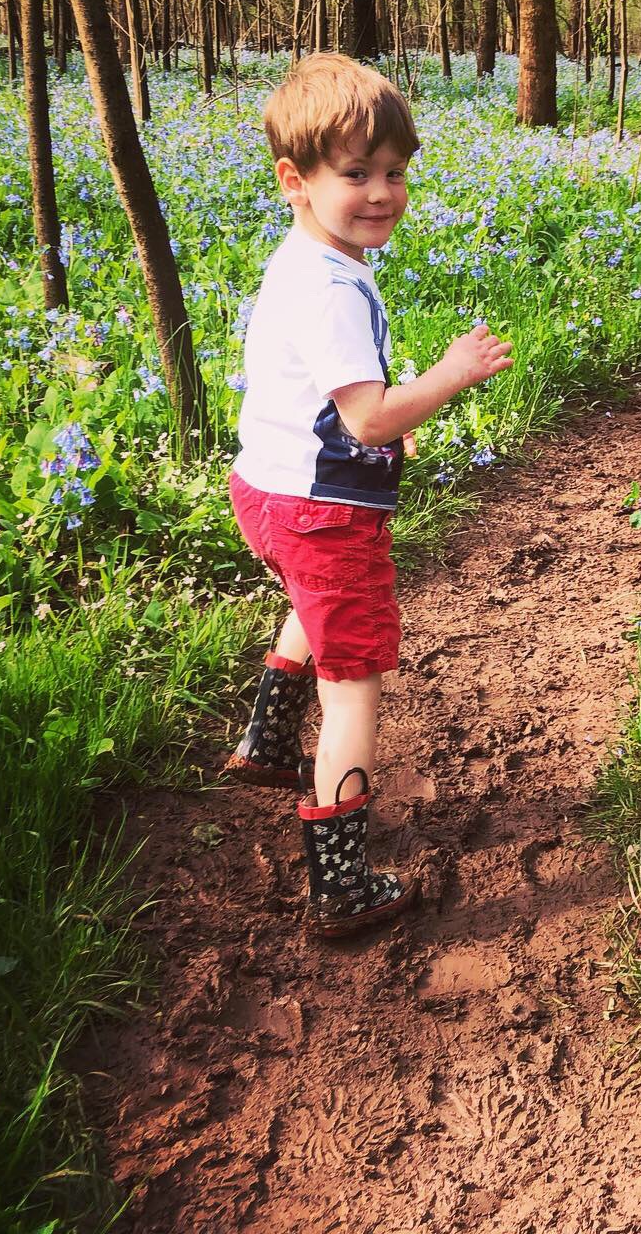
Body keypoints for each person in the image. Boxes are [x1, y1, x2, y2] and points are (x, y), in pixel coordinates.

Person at [226, 52, 514, 937]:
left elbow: (338, 400)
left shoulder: (310, 259)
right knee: (354, 690)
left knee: (306, 605)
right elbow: (370, 421)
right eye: (355, 174)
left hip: (267, 494)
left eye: (393, 172)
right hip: (326, 517)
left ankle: (268, 738)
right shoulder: (335, 289)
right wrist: (447, 378)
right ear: (295, 180)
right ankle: (341, 882)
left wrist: (385, 411)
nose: (381, 191)